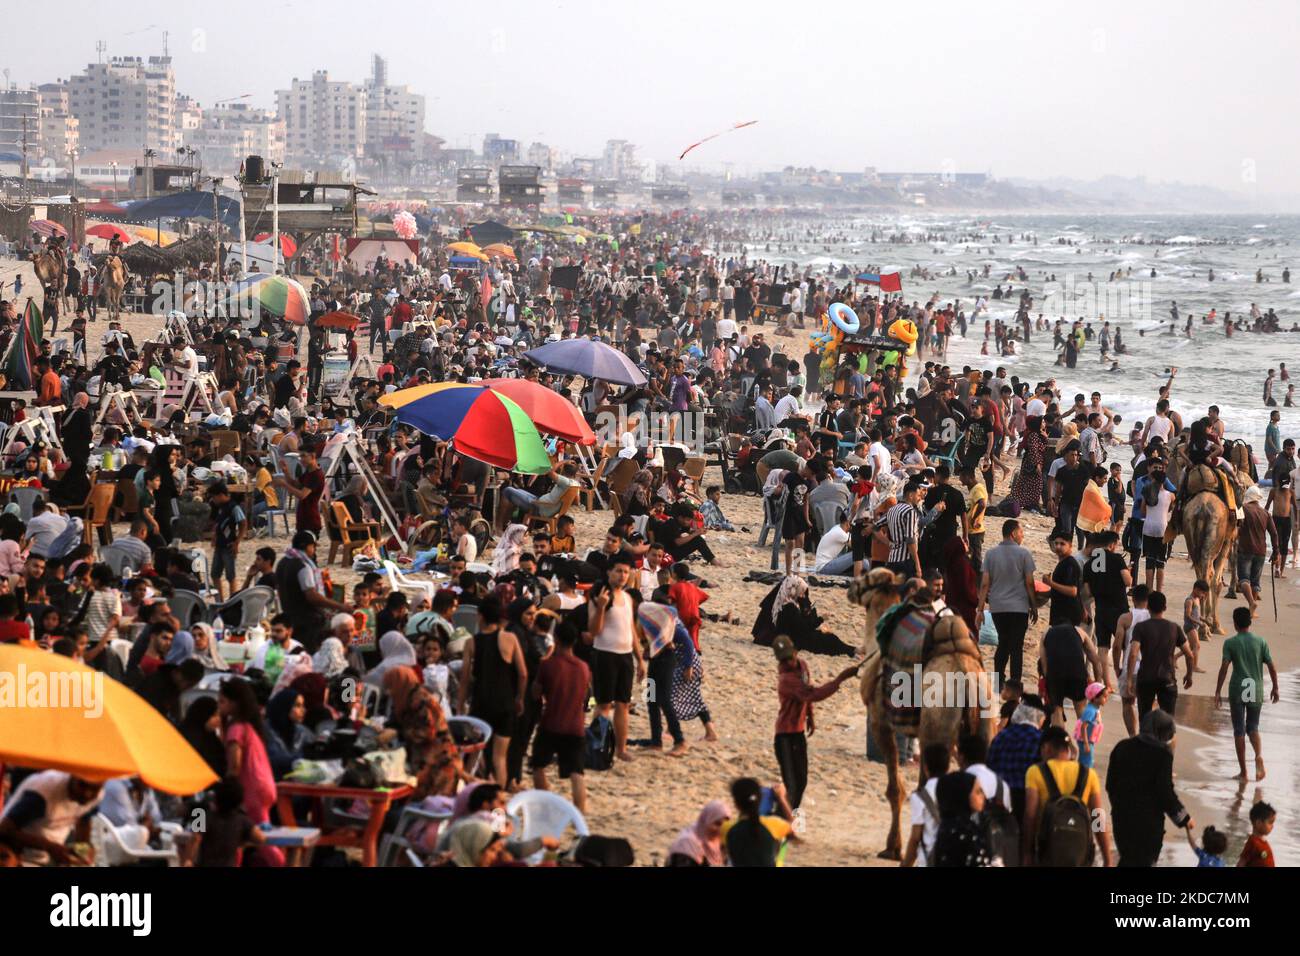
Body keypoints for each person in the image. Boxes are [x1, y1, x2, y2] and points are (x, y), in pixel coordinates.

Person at [771, 633, 860, 809]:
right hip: (785, 737)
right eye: (783, 660)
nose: (788, 662)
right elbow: (813, 694)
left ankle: (791, 823)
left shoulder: (802, 666)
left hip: (798, 733)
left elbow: (808, 691)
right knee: (792, 785)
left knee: (801, 782)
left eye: (789, 657)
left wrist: (810, 716)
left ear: (795, 652)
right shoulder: (786, 680)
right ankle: (788, 824)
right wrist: (840, 679)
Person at [1104, 710, 1190, 867]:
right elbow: (1165, 793)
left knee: (1127, 858)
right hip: (1148, 824)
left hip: (1121, 819)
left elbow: (1110, 785)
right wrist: (1183, 818)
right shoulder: (1162, 755)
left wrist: (1119, 806)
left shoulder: (1122, 747)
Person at [458, 595, 527, 787]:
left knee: (474, 755)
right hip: (505, 703)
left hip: (481, 704)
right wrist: (520, 698)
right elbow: (522, 674)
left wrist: (459, 706)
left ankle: (471, 793)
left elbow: (464, 679)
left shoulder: (471, 642)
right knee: (499, 758)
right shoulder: (510, 638)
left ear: (480, 616)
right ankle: (500, 801)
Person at [1023, 725, 1111, 866]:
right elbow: (1097, 817)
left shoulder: (1035, 772)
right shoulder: (1089, 774)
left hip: (1048, 851)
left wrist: (1027, 853)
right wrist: (1107, 858)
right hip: (1079, 852)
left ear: (1046, 748)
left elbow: (1030, 816)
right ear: (1068, 749)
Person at [585, 555, 644, 763]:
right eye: (618, 571)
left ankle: (621, 748)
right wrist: (601, 607)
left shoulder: (627, 598)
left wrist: (640, 660)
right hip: (604, 654)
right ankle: (597, 745)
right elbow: (594, 631)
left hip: (625, 656)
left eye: (626, 572)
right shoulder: (598, 595)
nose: (622, 576)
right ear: (609, 572)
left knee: (623, 704)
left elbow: (632, 630)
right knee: (603, 705)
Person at [531, 619, 591, 812]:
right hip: (576, 725)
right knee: (577, 773)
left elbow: (535, 693)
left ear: (555, 638)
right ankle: (579, 812)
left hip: (551, 723)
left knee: (538, 765)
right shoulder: (583, 668)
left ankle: (548, 803)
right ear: (574, 641)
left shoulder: (549, 665)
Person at [1214, 605, 1279, 781]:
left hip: (1238, 688)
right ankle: (1258, 755)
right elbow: (1271, 666)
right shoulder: (1261, 641)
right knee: (1253, 727)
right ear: (1250, 622)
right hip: (1256, 688)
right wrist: (1275, 687)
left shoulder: (1230, 643)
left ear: (1235, 624)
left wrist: (1218, 690)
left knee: (1239, 730)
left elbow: (1224, 668)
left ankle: (1243, 772)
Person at [977, 519, 1038, 685]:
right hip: (1019, 607)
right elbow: (1029, 583)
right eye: (1021, 532)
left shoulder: (990, 554)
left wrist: (980, 609)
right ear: (1013, 534)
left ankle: (998, 681)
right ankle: (1015, 682)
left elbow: (984, 584)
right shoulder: (1024, 554)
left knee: (1003, 642)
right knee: (1016, 647)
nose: (1022, 535)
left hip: (998, 607)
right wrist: (1033, 605)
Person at [0, 771, 103, 865]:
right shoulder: (43, 794)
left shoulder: (97, 795)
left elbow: (83, 823)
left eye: (95, 789)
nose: (87, 793)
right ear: (72, 776)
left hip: (50, 854)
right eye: (82, 785)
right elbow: (5, 829)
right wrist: (50, 847)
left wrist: (83, 852)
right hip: (17, 853)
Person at [1127, 591, 1195, 717]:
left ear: (1148, 607)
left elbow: (1133, 654)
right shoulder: (1174, 628)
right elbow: (1189, 655)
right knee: (1167, 721)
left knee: (1145, 718)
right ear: (1165, 608)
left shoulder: (1141, 627)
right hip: (1167, 678)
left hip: (1146, 678)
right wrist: (1189, 675)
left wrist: (1130, 680)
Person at [723, 777, 794, 867]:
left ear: (736, 804)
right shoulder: (772, 825)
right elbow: (794, 826)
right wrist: (782, 798)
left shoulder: (727, 828)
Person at [929, 771, 994, 867]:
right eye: (978, 792)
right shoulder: (966, 832)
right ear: (963, 794)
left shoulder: (947, 826)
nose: (983, 796)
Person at [666, 800, 730, 867]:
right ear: (706, 821)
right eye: (717, 824)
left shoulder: (719, 841)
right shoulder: (688, 844)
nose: (721, 829)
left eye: (725, 825)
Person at [1074, 682, 1108, 770]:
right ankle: (1084, 778)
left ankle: (1080, 775)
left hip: (1088, 740)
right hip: (1085, 741)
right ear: (1095, 698)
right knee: (1087, 762)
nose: (1106, 699)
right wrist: (1086, 744)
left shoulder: (1095, 709)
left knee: (1084, 760)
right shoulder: (1090, 711)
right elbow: (1083, 727)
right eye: (1104, 697)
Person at [1238, 802, 1277, 867]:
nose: (1272, 826)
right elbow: (1241, 863)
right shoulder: (1253, 842)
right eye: (1270, 822)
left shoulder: (1263, 842)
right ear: (1258, 823)